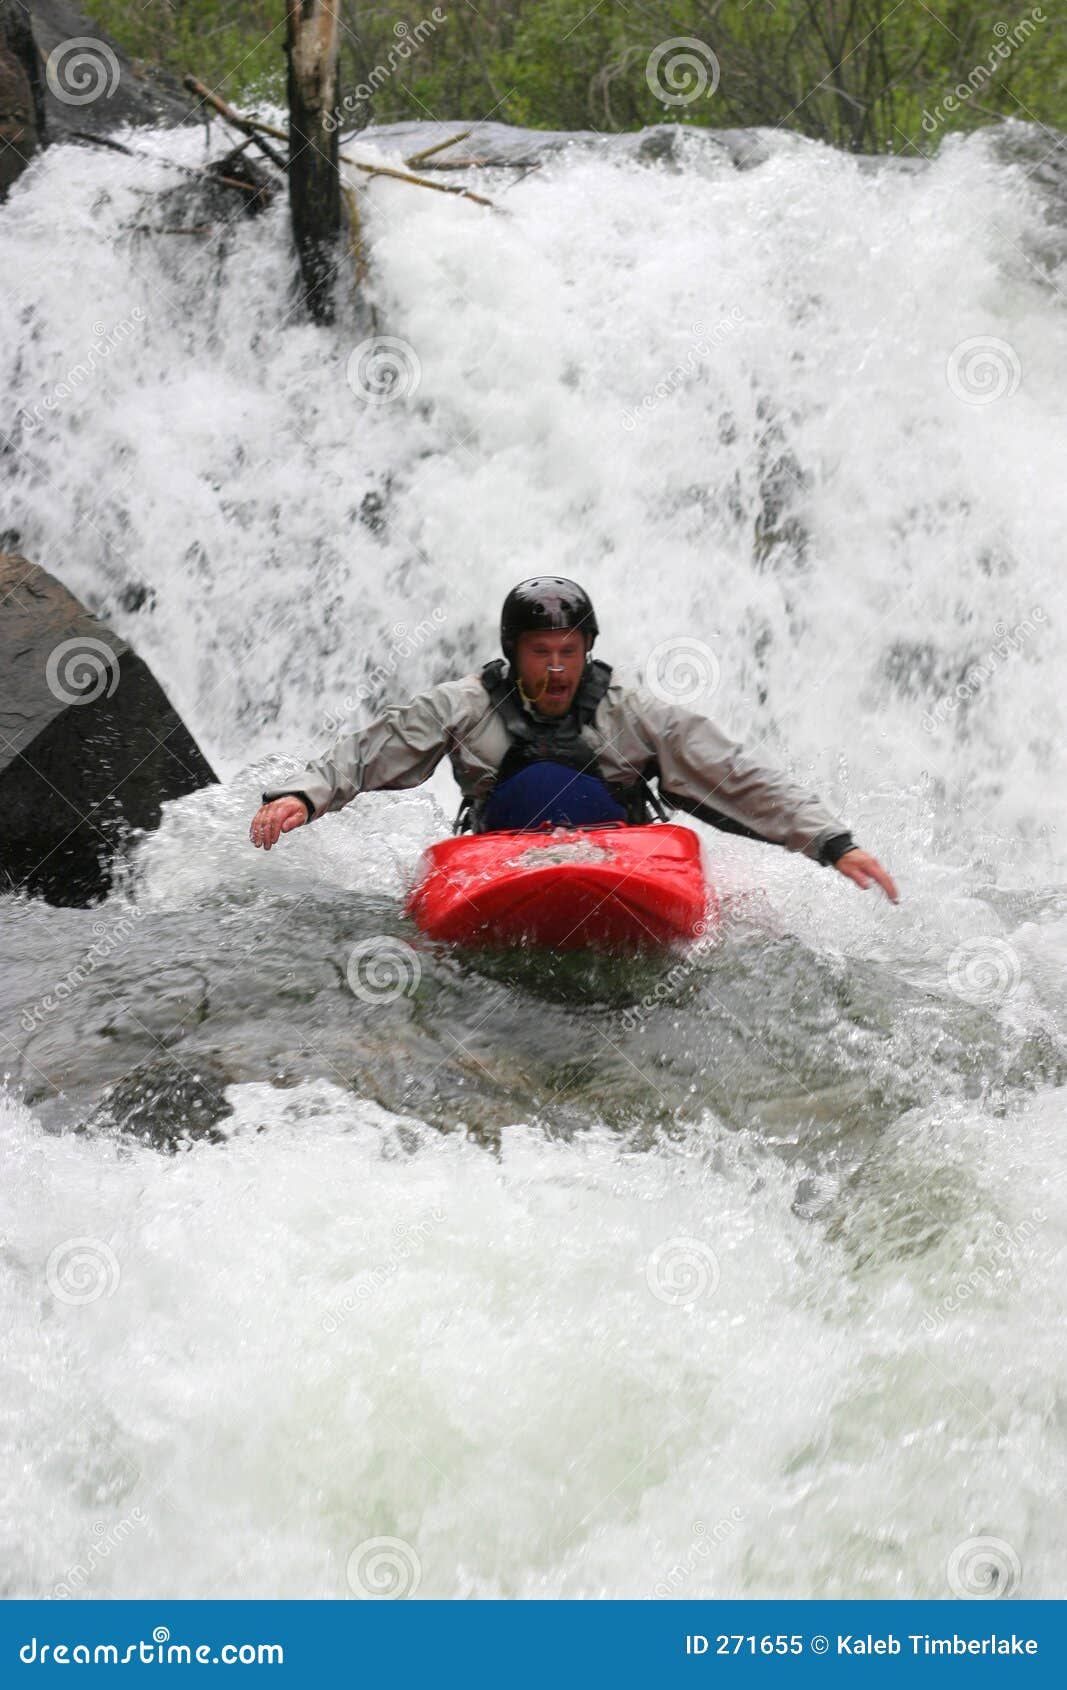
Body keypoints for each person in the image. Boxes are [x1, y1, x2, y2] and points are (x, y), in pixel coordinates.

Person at [250, 577, 898, 901]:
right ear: (513, 651)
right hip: (502, 865)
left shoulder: (632, 712)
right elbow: (369, 751)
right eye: (540, 652)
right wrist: (302, 798)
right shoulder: (463, 706)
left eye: (569, 651)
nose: (556, 668)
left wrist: (830, 841)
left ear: (587, 650)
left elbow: (732, 775)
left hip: (619, 868)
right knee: (530, 786)